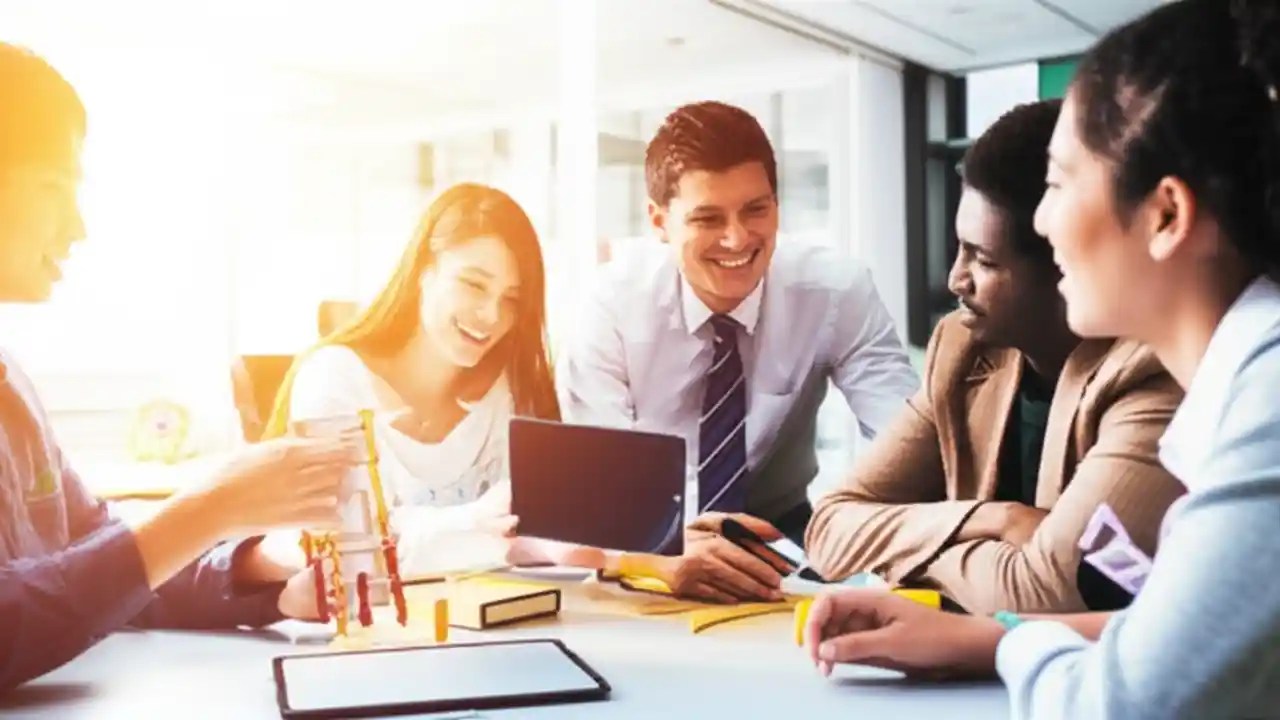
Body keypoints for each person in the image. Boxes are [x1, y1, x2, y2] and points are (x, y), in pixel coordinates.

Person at [802, 1, 1280, 717]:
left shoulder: (1266, 401)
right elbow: (1160, 638)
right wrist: (986, 635)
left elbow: (1123, 704)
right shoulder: (1246, 378)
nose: (1045, 222)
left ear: (1166, 216)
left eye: (1057, 184)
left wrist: (1009, 639)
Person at [0, 43, 359, 691]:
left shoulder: (11, 383)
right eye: (56, 187)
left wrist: (265, 573)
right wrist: (212, 506)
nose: (78, 227)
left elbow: (103, 567)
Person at [804, 100, 1184, 614]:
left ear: (1063, 262)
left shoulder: (1151, 371)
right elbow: (830, 528)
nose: (955, 280)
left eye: (982, 259)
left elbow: (1051, 593)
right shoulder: (962, 349)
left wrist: (916, 551)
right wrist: (993, 519)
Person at [559, 101, 919, 603]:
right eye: (708, 217)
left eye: (756, 209)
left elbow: (906, 442)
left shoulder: (837, 291)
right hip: (642, 539)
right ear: (659, 221)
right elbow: (599, 475)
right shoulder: (611, 303)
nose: (737, 238)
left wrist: (865, 528)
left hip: (781, 535)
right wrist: (661, 549)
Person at [265, 183, 561, 575]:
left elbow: (530, 538)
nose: (491, 315)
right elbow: (347, 551)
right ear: (422, 270)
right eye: (473, 284)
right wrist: (475, 522)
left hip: (496, 623)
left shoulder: (510, 391)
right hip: (370, 629)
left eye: (511, 300)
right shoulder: (334, 378)